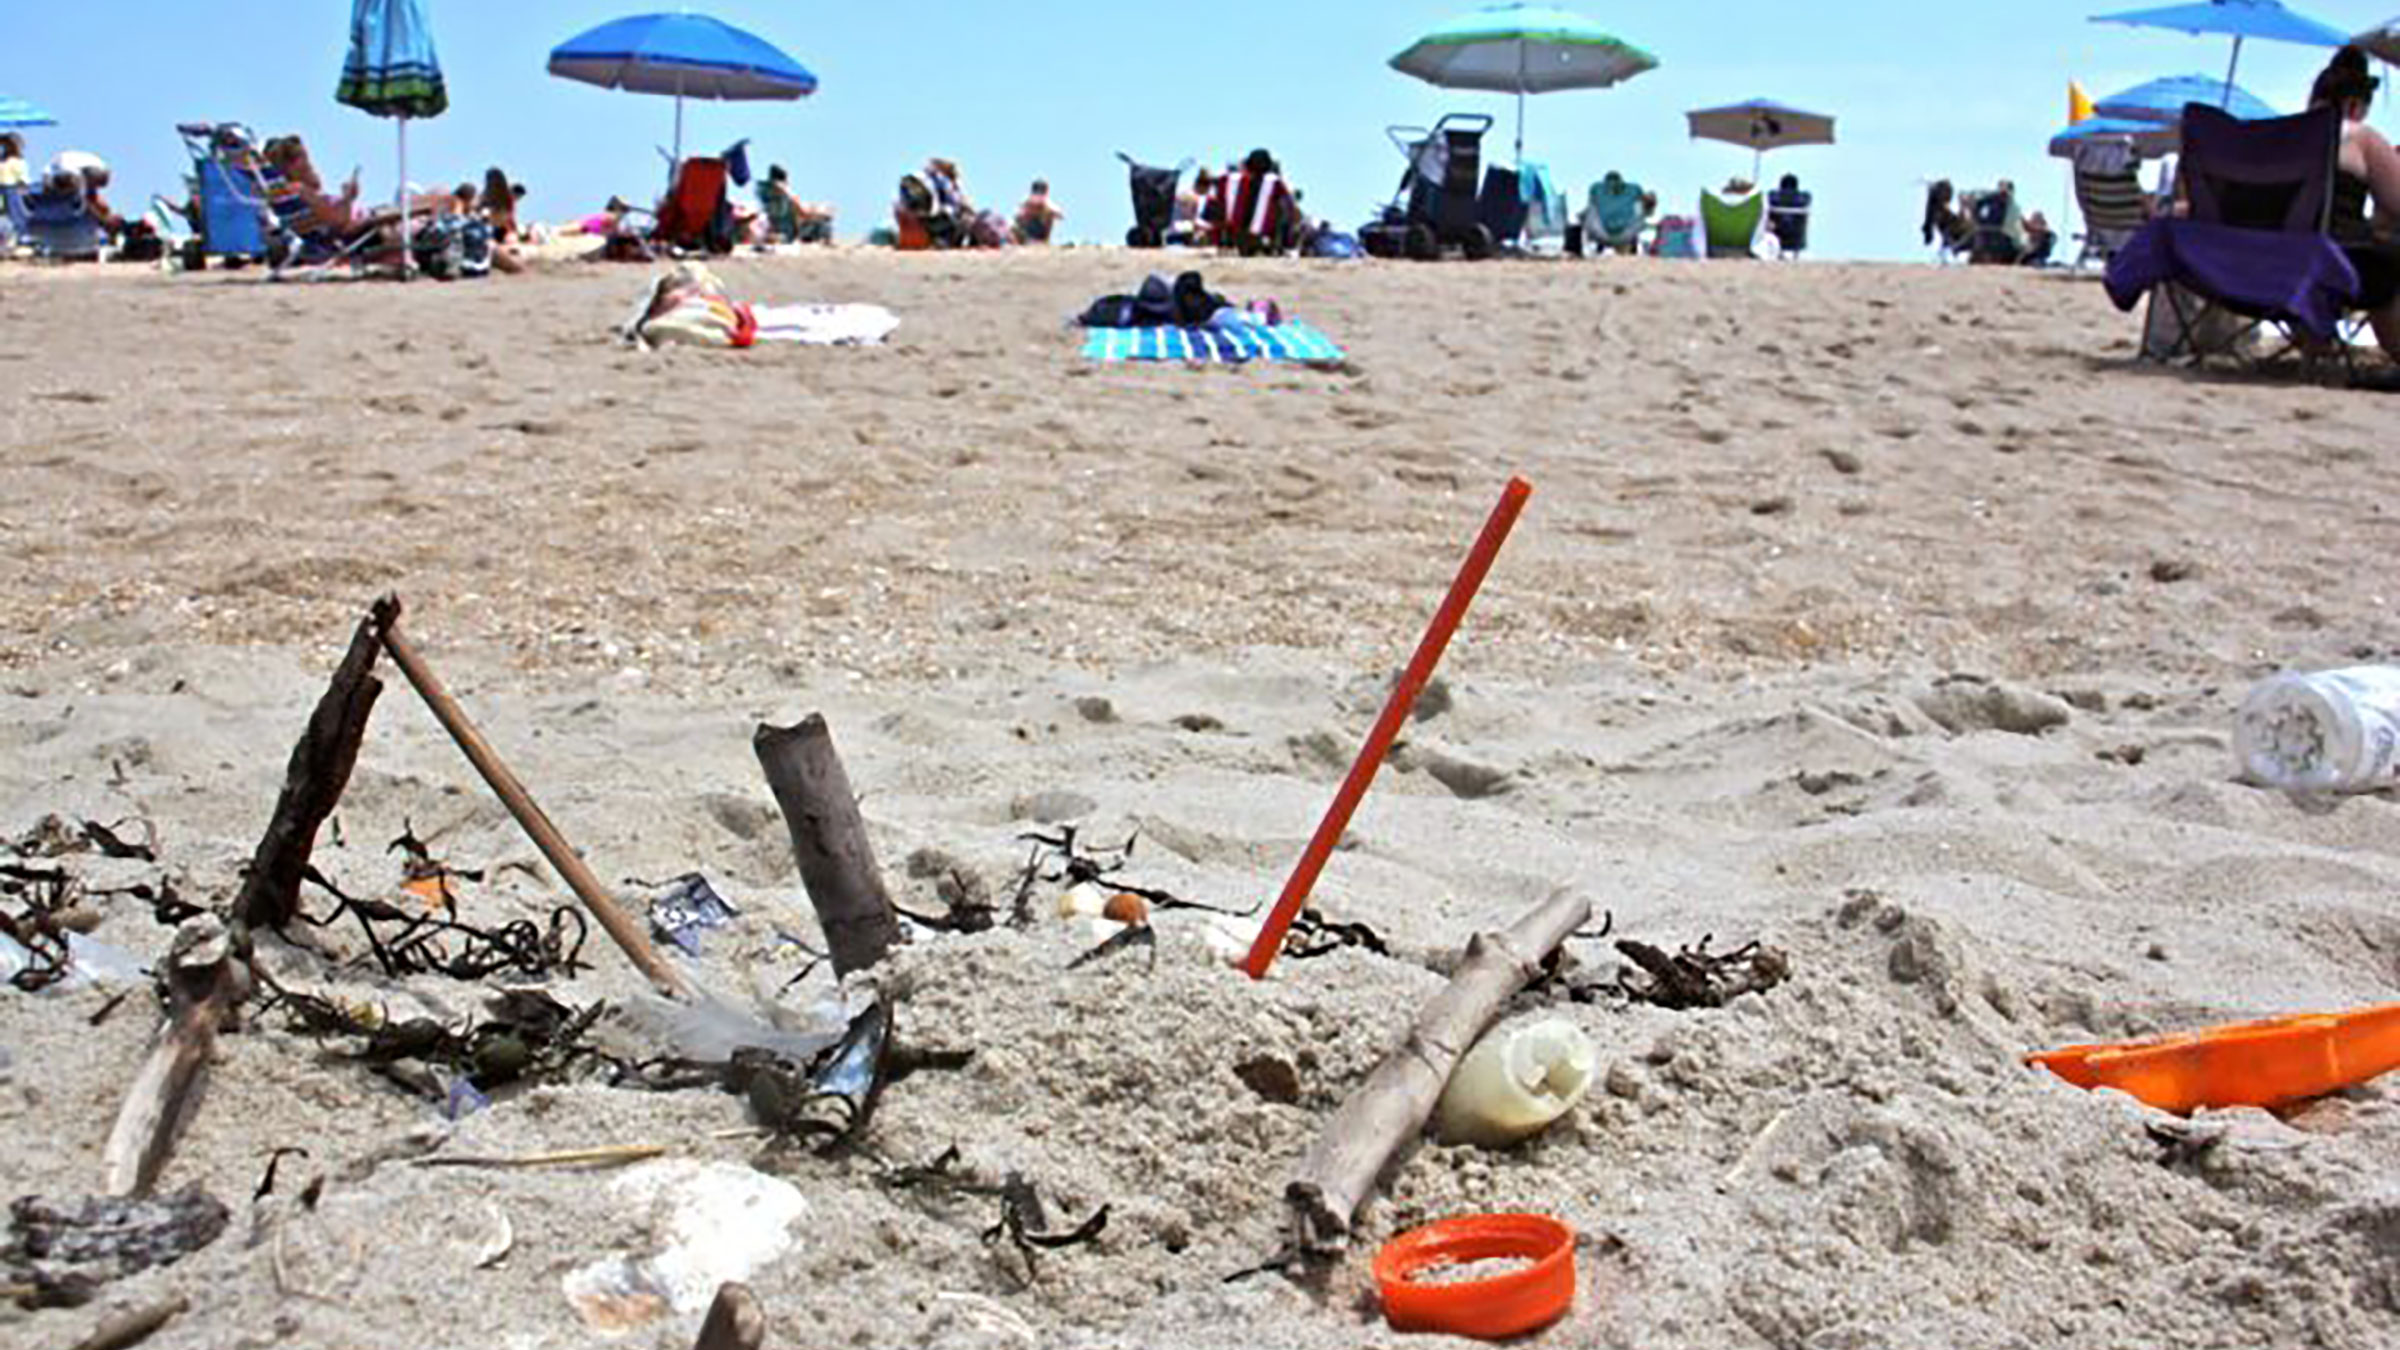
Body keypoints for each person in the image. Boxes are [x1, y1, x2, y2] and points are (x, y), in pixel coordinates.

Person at [2310, 45, 2400, 362]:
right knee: (2389, 263)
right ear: (2353, 104)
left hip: (2263, 265)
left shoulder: (2281, 134)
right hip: (2334, 264)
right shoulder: (2358, 135)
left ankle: (2313, 340)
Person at [1766, 172, 1811, 258]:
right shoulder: (1804, 198)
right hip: (1796, 239)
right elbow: (1807, 198)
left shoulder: (1773, 197)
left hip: (1777, 237)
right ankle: (1795, 255)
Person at [1014, 178, 1064, 244]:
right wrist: (1030, 211)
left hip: (1041, 232)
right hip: (1027, 231)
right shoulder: (1027, 201)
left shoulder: (1046, 202)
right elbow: (1017, 217)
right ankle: (1026, 240)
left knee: (1048, 215)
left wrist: (1042, 208)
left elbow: (1060, 215)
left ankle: (1043, 241)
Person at [0, 133, 28, 246]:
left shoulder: (18, 161)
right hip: (2, 187)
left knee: (15, 214)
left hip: (10, 188)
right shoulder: (2, 160)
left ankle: (21, 238)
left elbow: (22, 178)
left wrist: (22, 189)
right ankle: (5, 240)